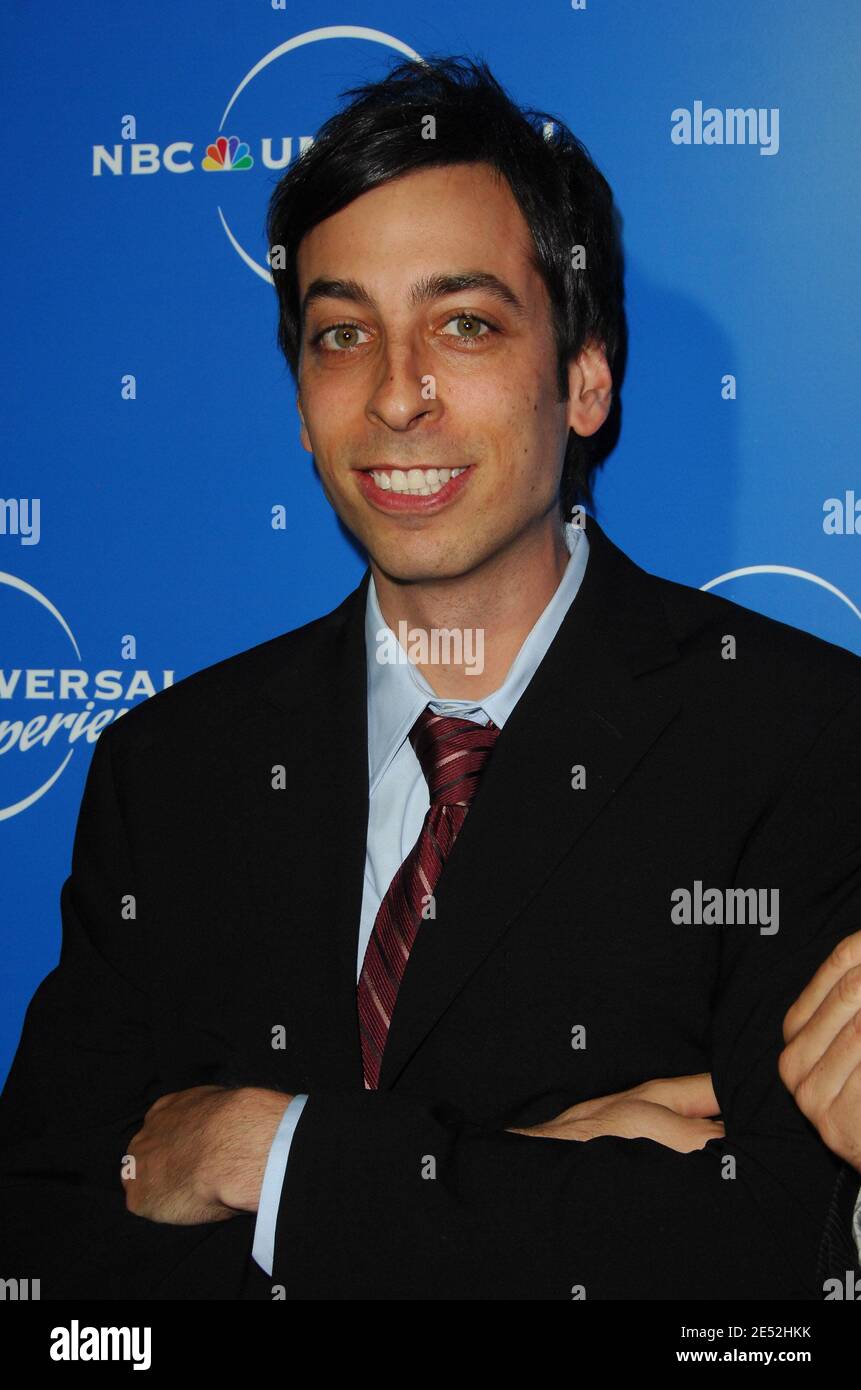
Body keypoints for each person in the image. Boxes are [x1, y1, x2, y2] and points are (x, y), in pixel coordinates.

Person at [1, 55, 860, 1300]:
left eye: (465, 323)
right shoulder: (173, 772)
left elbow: (765, 1263)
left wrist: (266, 1151)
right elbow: (45, 1258)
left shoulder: (797, 739)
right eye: (343, 334)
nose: (398, 394)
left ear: (585, 374)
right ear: (301, 403)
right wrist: (505, 1178)